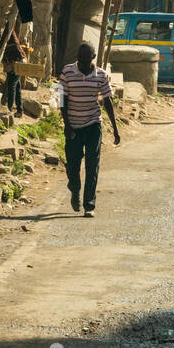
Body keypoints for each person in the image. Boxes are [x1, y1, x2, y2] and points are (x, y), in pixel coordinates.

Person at [59, 43, 120, 218]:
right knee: (73, 165)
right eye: (80, 57)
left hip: (93, 124)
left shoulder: (101, 75)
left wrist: (115, 129)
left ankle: (89, 204)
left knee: (93, 165)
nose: (83, 61)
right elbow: (62, 99)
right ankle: (75, 189)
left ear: (93, 57)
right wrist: (67, 124)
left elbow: (107, 101)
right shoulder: (67, 72)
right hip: (73, 126)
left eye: (86, 58)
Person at [2, 32, 26, 117]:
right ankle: (20, 110)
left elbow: (18, 57)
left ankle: (9, 109)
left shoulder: (13, 45)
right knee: (17, 88)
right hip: (15, 67)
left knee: (11, 86)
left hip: (16, 68)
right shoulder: (14, 44)